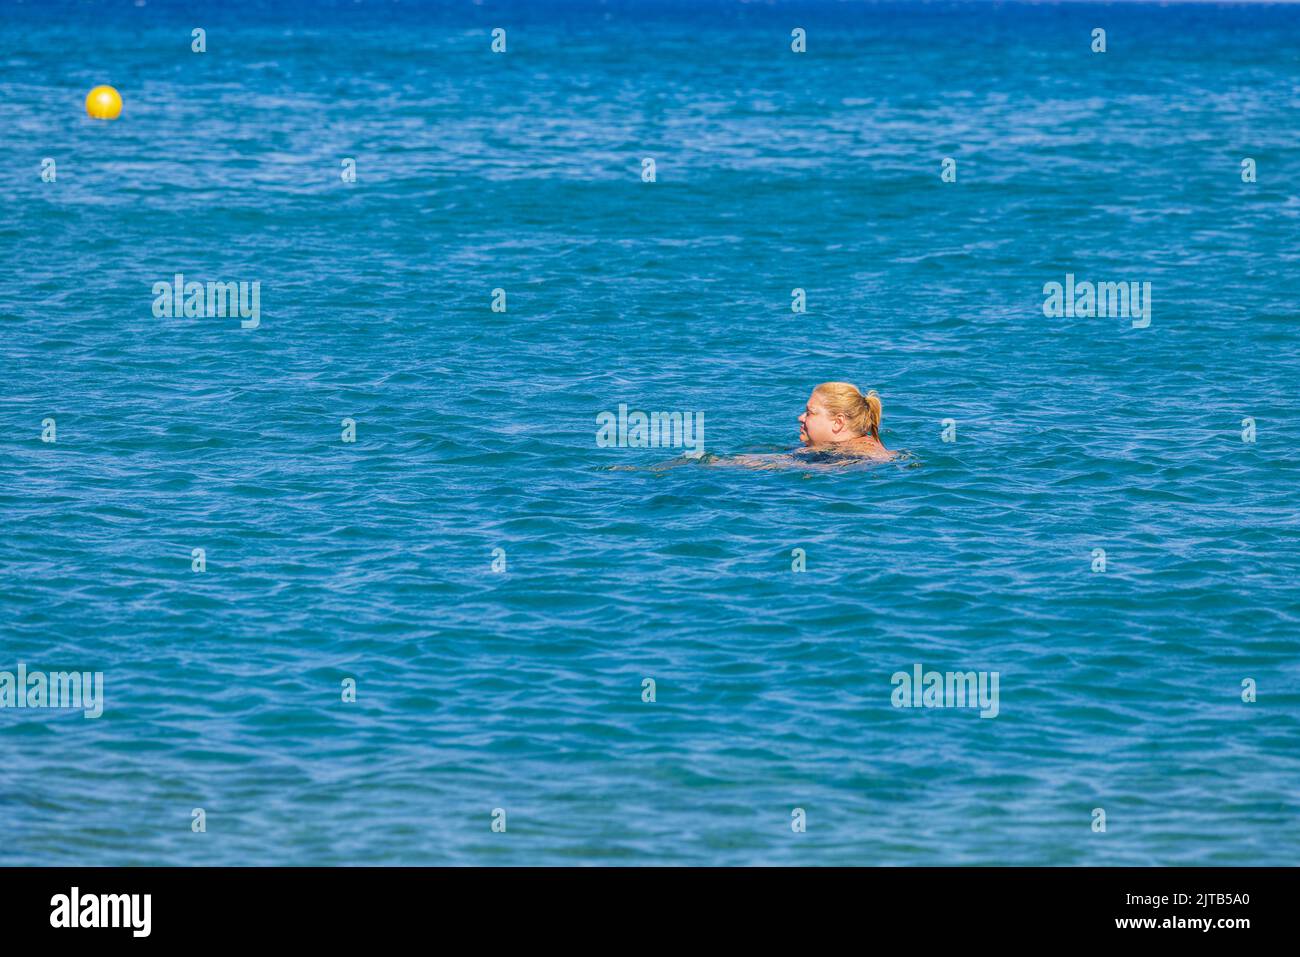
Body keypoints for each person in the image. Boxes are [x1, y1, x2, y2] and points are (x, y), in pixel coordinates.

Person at [796, 382, 892, 460]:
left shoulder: (861, 454)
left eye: (809, 413)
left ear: (838, 422)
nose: (800, 418)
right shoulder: (842, 450)